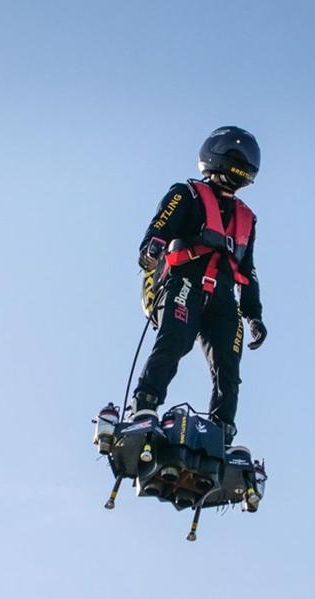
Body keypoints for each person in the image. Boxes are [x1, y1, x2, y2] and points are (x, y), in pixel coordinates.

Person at [127, 126, 268, 445]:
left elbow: (248, 270)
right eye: (234, 157)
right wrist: (151, 247)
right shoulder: (187, 194)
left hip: (224, 301)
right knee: (174, 342)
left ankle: (222, 431)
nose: (239, 165)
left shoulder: (247, 218)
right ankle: (145, 406)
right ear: (215, 156)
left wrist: (254, 315)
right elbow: (161, 227)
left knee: (228, 368)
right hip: (186, 283)